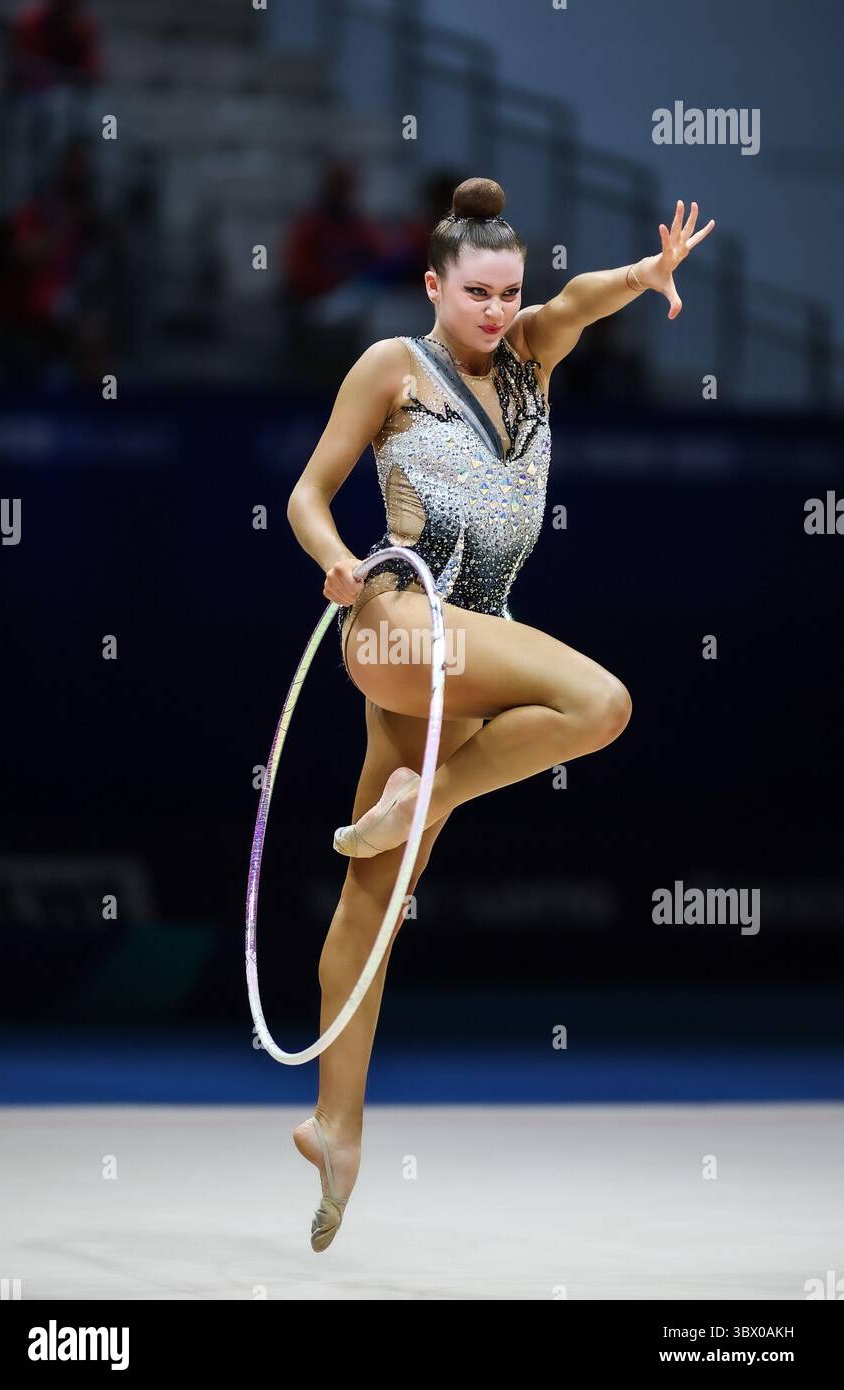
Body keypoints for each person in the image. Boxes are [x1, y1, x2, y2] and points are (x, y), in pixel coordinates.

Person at [286, 177, 714, 1251]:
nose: (492, 309)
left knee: (371, 904)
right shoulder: (392, 365)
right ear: (432, 285)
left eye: (505, 291)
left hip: (468, 644)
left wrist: (648, 274)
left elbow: (581, 299)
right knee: (600, 699)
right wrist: (338, 560)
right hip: (395, 626)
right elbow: (305, 492)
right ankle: (424, 791)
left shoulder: (531, 350)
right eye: (474, 291)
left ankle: (337, 1130)